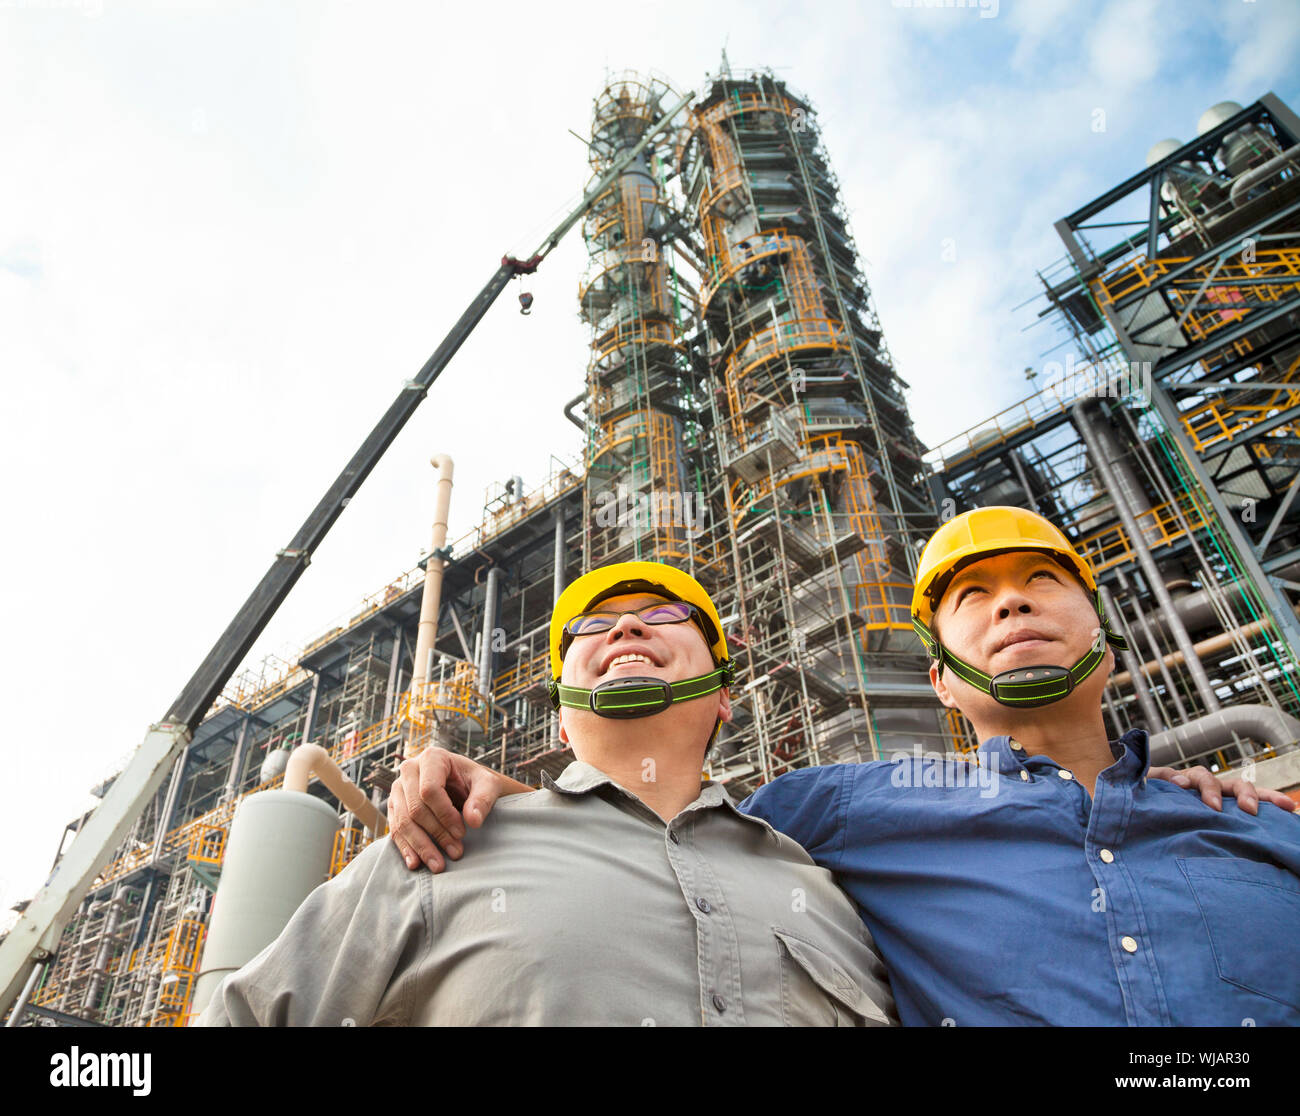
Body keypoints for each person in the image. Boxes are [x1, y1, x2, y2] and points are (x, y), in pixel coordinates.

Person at [389, 507, 1300, 1026]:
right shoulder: (852, 807)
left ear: (1106, 649)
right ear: (941, 683)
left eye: (1042, 582)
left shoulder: (1253, 823)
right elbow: (670, 828)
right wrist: (519, 807)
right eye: (974, 597)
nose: (1013, 602)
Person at [196, 562, 896, 1026]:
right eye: (592, 626)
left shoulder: (828, 897)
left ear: (723, 698)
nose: (625, 626)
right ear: (561, 716)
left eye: (664, 613)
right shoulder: (445, 850)